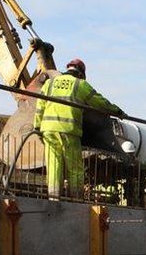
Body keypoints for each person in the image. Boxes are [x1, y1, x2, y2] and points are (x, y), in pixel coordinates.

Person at [33, 58, 125, 199]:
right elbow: (100, 102)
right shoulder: (80, 85)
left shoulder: (49, 84)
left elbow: (40, 108)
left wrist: (38, 127)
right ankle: (75, 198)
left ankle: (53, 197)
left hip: (49, 129)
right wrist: (117, 111)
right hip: (69, 131)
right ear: (81, 74)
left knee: (53, 164)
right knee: (74, 167)